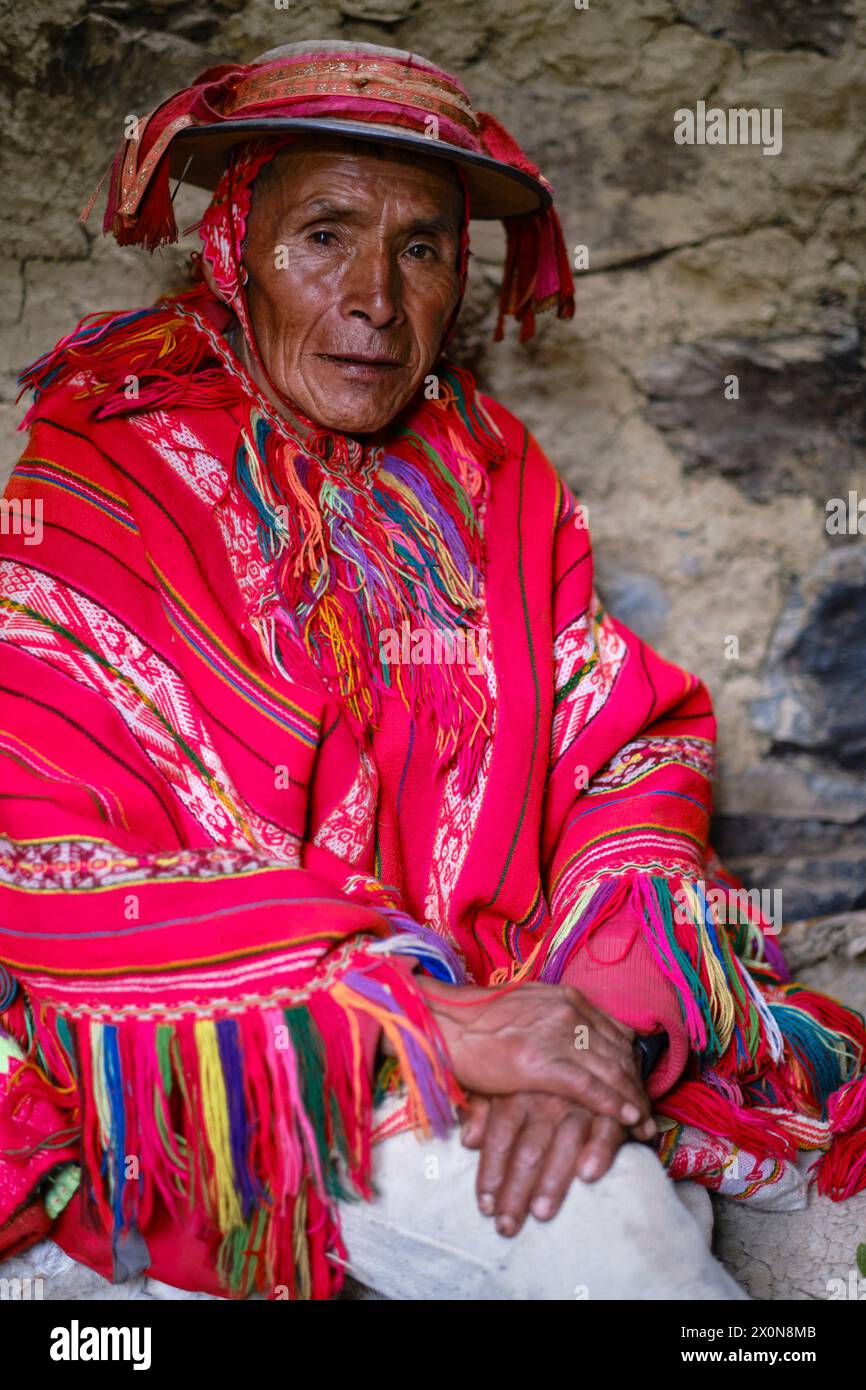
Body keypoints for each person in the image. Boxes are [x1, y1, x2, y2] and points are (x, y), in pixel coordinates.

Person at [0, 39, 863, 1301]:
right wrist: (439, 1026)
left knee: (636, 1225)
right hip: (231, 1055)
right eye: (324, 236)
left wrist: (593, 1024)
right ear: (235, 250)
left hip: (509, 1018)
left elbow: (620, 745)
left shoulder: (490, 472)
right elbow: (40, 844)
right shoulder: (106, 472)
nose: (373, 299)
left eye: (420, 249)